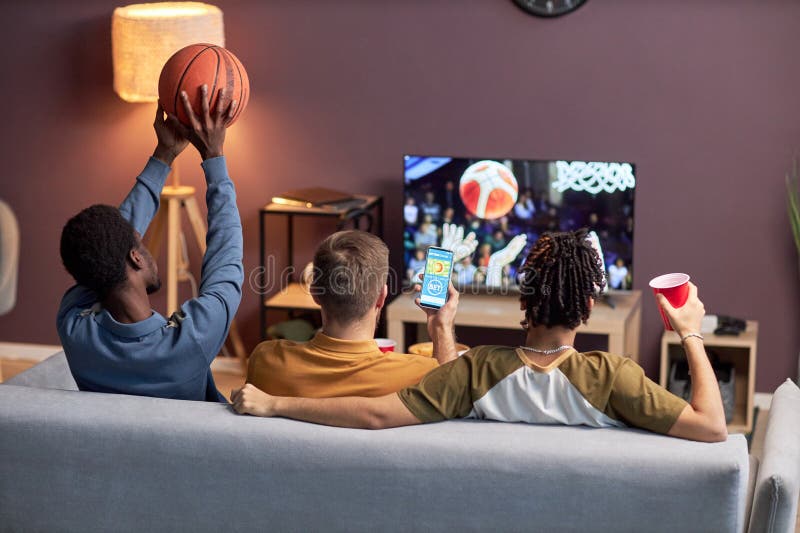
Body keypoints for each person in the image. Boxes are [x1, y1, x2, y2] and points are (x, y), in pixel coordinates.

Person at [233, 229, 727, 443]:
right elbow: (712, 428)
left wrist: (274, 403)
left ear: (522, 302)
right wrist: (691, 334)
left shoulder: (474, 370)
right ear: (590, 309)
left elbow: (380, 412)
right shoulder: (615, 376)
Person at [57, 85, 242, 402]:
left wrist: (166, 153)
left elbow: (112, 242)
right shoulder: (192, 342)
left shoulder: (73, 327)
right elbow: (225, 260)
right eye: (140, 243)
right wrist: (213, 155)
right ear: (136, 258)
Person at [247, 230, 459, 398]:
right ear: (381, 297)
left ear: (314, 294)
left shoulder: (265, 360)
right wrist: (441, 325)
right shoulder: (417, 375)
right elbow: (451, 394)